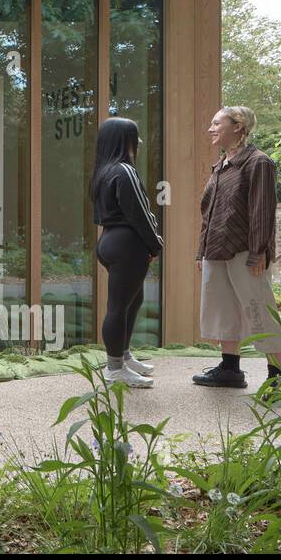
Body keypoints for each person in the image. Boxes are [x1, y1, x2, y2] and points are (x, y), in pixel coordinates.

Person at [192, 106, 281, 393]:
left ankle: (278, 377)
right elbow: (208, 213)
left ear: (238, 126)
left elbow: (262, 210)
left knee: (259, 311)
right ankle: (230, 368)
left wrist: (259, 252)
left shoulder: (258, 163)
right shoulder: (221, 165)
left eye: (216, 122)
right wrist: (201, 251)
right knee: (223, 311)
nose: (211, 128)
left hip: (246, 253)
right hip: (216, 250)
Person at [90, 117, 163, 389]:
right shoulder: (124, 171)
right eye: (136, 136)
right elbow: (140, 214)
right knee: (119, 306)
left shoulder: (104, 170)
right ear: (125, 140)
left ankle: (123, 356)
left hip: (109, 240)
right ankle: (114, 368)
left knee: (132, 300)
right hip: (127, 244)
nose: (140, 142)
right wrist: (155, 244)